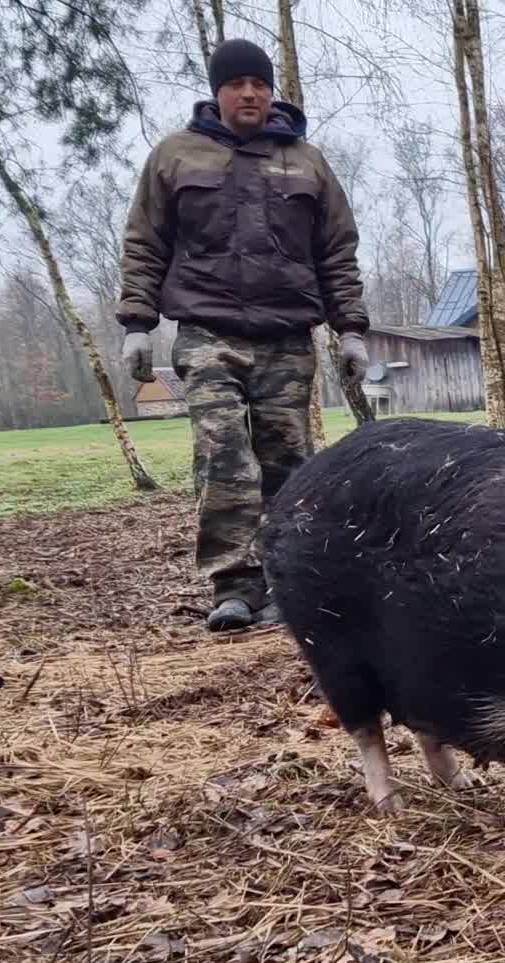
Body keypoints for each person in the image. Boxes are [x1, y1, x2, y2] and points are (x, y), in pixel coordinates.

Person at [117, 38, 370, 632]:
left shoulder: (306, 161)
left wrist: (351, 330)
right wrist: (137, 324)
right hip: (207, 332)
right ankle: (234, 585)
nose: (250, 93)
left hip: (287, 336)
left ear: (271, 90)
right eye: (237, 84)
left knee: (289, 461)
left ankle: (288, 583)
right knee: (224, 454)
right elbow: (145, 243)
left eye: (259, 83)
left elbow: (337, 251)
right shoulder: (175, 156)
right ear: (218, 92)